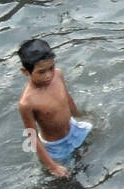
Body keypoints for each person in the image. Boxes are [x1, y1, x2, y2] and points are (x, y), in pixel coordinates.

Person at [17, 38, 91, 177]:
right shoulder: (27, 103)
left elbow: (67, 99)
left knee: (89, 159)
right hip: (56, 146)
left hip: (74, 128)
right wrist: (52, 166)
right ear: (25, 72)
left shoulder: (58, 75)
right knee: (69, 178)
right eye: (41, 72)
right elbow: (32, 138)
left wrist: (80, 117)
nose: (48, 75)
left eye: (51, 68)